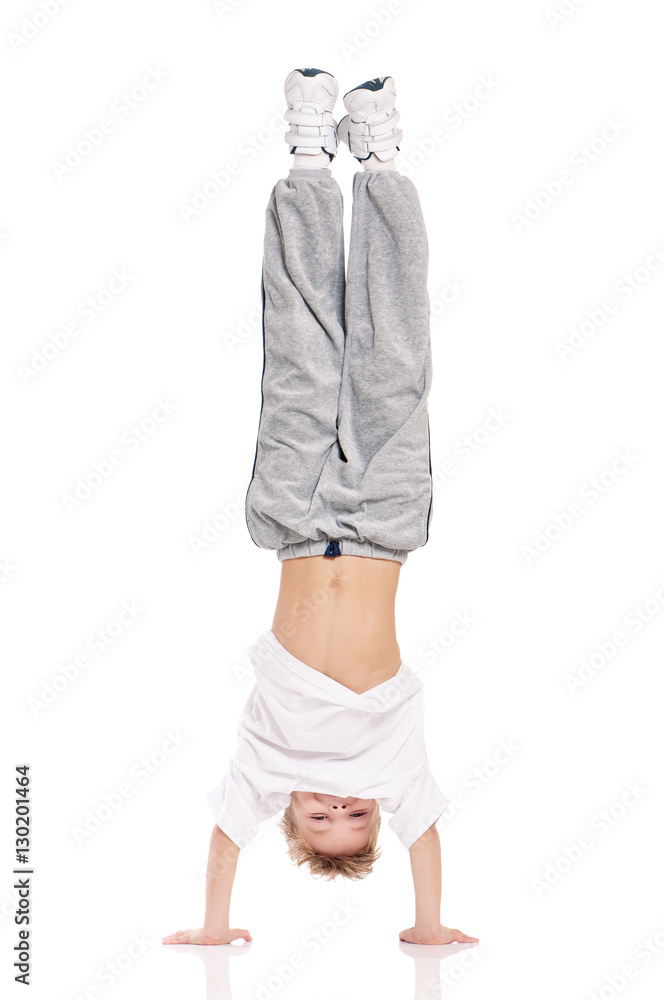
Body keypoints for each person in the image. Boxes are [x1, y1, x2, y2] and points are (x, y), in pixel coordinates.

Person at [163, 69, 478, 948]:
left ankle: (308, 159)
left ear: (291, 818)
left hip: (296, 518)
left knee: (299, 345)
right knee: (396, 355)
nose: (338, 805)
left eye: (321, 819)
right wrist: (428, 926)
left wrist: (213, 930)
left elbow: (225, 842)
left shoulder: (265, 770)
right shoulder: (394, 769)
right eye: (355, 817)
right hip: (383, 520)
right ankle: (379, 160)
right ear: (376, 808)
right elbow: (427, 843)